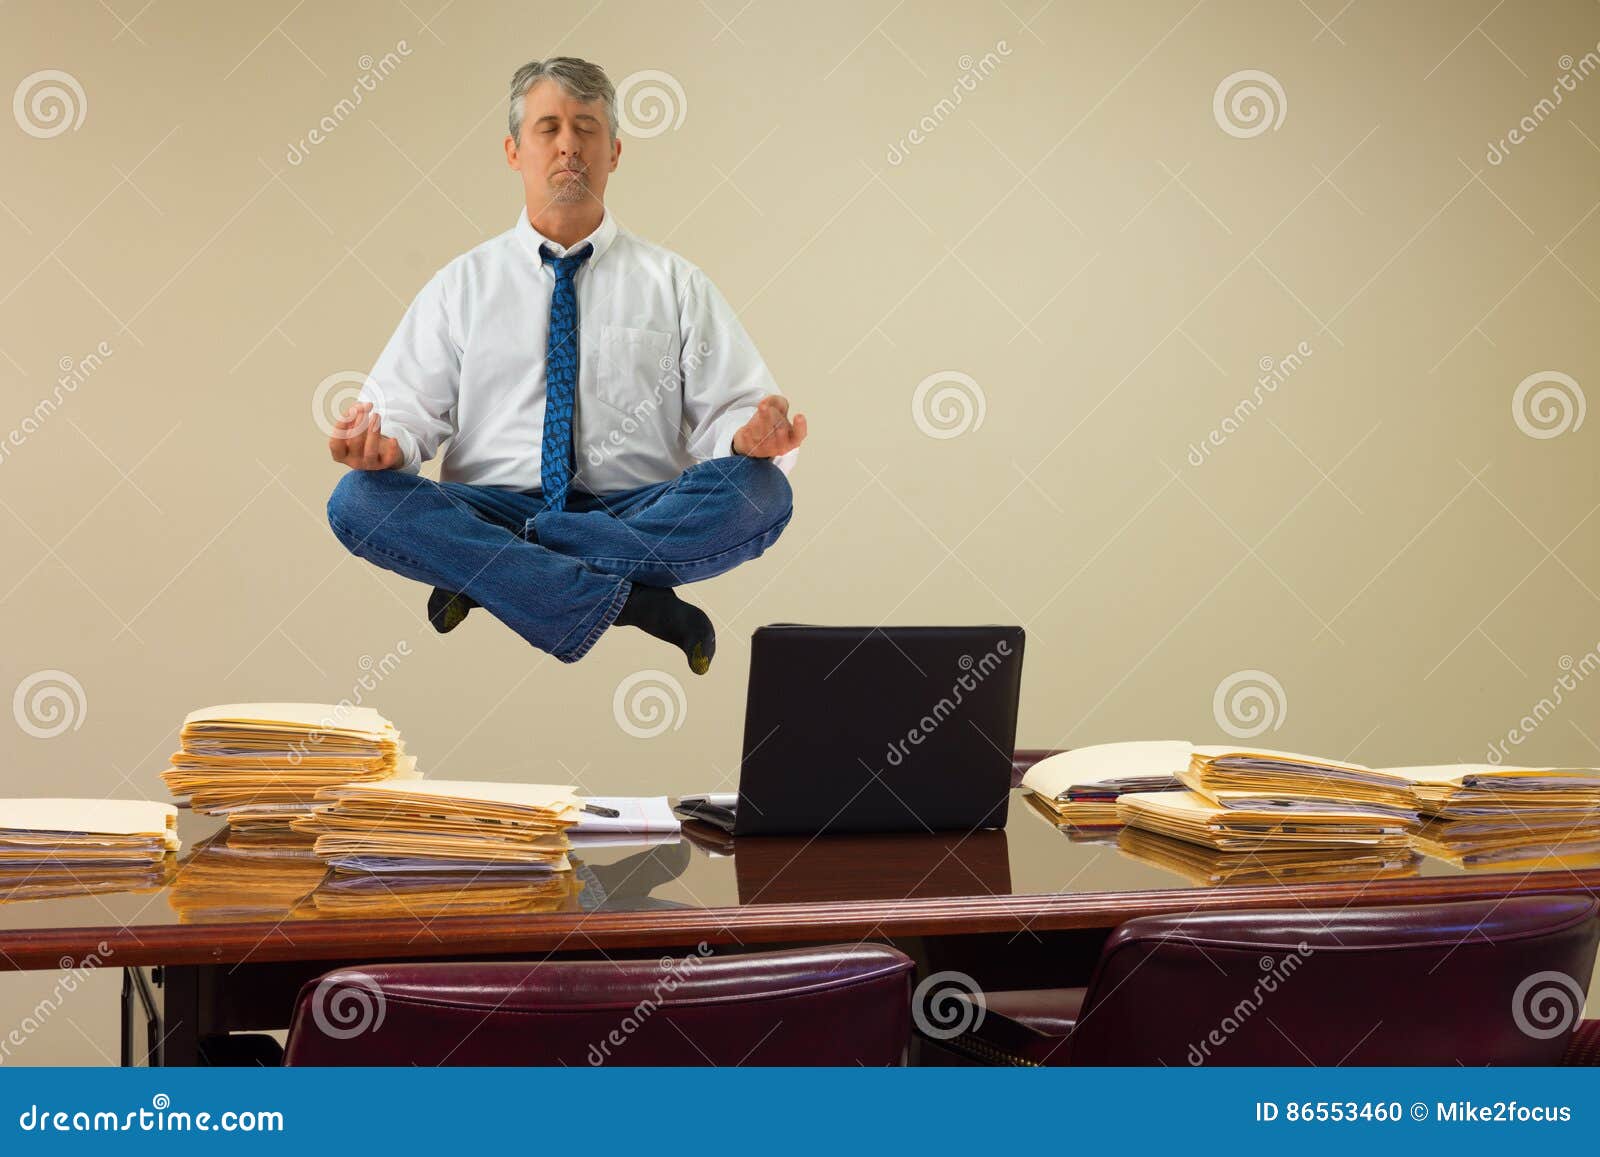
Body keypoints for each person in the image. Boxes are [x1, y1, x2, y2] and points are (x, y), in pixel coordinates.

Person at [325, 57, 806, 675]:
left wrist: (748, 435)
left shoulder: (676, 284)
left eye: (586, 128)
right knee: (357, 500)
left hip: (634, 511)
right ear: (513, 151)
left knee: (761, 491)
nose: (568, 145)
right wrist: (381, 445)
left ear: (614, 153)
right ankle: (638, 603)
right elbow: (403, 414)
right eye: (548, 127)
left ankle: (491, 570)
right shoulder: (461, 285)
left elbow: (735, 417)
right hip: (490, 506)